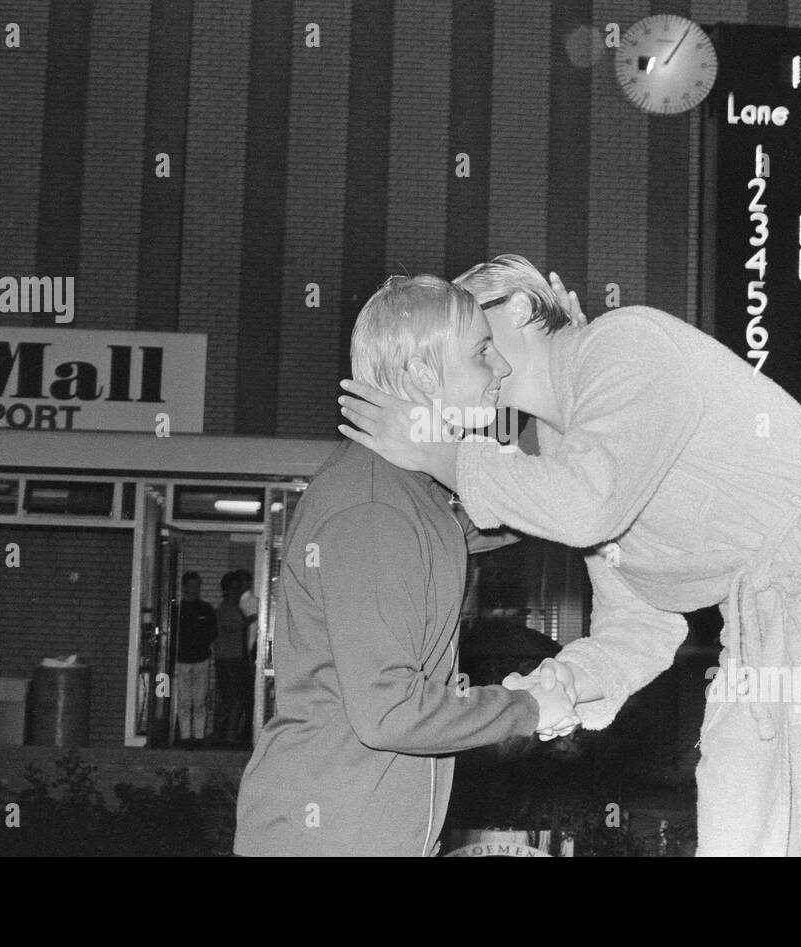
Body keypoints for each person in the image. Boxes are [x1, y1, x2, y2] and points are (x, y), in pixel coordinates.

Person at [337, 253, 801, 856]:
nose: (469, 345)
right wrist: (549, 691)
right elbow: (637, 626)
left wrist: (445, 453)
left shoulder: (624, 345)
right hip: (772, 615)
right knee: (744, 819)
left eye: (475, 316)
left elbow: (591, 501)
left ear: (525, 307)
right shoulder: (563, 448)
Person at [234, 274, 576, 857]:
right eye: (481, 352)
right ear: (421, 375)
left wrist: (566, 372)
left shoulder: (411, 492)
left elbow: (528, 510)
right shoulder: (374, 506)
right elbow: (390, 711)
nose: (501, 368)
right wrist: (526, 709)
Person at [175, 571, 218, 748]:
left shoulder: (206, 609)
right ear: (184, 587)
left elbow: (213, 633)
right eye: (191, 586)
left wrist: (201, 642)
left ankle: (199, 737)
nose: (195, 590)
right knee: (184, 701)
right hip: (182, 660)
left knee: (200, 701)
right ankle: (185, 737)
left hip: (201, 659)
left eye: (197, 586)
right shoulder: (177, 610)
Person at [212, 571, 250, 745]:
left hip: (236, 658)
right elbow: (233, 627)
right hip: (228, 659)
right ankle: (226, 736)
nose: (237, 592)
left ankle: (224, 734)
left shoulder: (235, 608)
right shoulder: (224, 609)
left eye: (239, 588)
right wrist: (251, 619)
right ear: (226, 590)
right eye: (233, 588)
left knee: (234, 698)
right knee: (233, 698)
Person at [236, 568, 259, 745]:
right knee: (241, 692)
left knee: (246, 692)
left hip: (248, 651)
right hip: (240, 652)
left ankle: (246, 729)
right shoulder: (237, 602)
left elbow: (251, 629)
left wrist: (249, 653)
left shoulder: (252, 602)